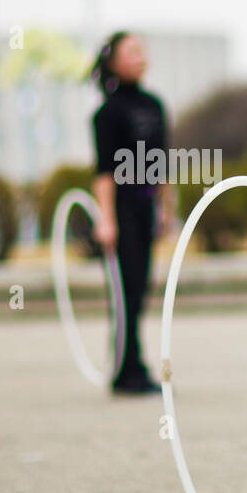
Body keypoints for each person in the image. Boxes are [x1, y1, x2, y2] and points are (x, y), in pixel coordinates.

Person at [90, 31, 173, 395]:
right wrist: (106, 219)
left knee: (141, 286)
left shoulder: (154, 104)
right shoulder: (107, 113)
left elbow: (162, 161)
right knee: (125, 288)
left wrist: (165, 208)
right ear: (113, 61)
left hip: (145, 203)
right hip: (121, 207)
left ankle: (132, 362)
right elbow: (104, 171)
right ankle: (127, 368)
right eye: (131, 51)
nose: (140, 56)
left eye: (143, 50)